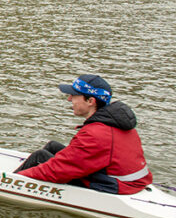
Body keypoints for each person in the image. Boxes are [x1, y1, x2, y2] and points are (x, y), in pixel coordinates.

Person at [15, 74, 152, 194]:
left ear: (90, 101)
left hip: (116, 187)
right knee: (52, 146)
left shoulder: (95, 134)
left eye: (74, 95)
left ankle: (13, 181)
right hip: (127, 181)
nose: (69, 99)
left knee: (40, 156)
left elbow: (57, 170)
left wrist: (15, 180)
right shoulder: (115, 123)